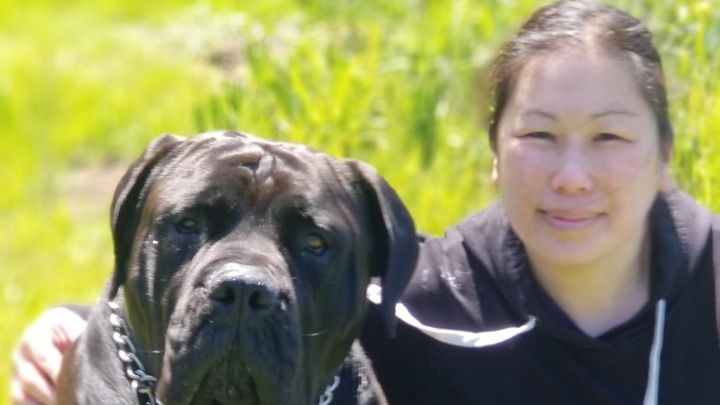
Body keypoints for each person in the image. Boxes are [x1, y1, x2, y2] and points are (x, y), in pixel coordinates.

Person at [11, 0, 720, 404]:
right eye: (538, 134)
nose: (572, 175)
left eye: (609, 136)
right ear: (494, 154)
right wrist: (67, 321)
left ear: (666, 157)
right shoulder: (430, 299)